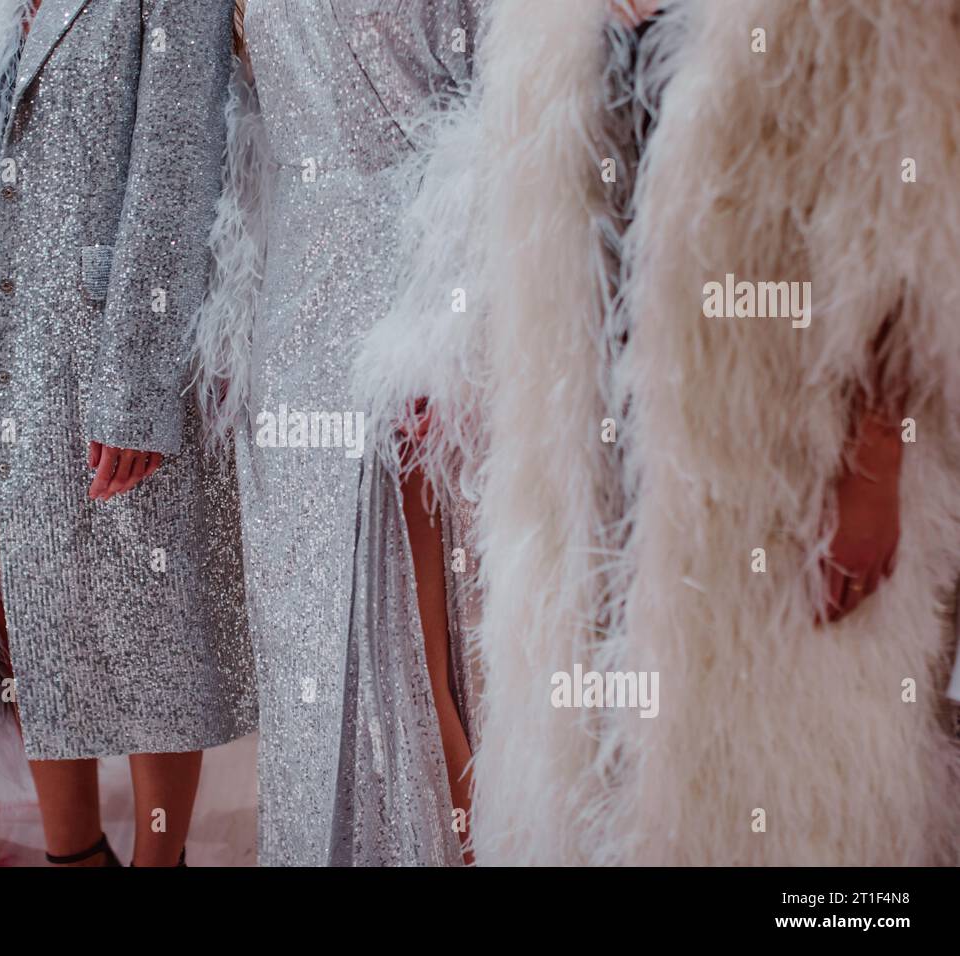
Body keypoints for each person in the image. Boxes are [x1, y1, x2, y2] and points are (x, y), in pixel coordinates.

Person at [422, 0, 960, 864]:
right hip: (591, 460)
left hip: (777, 468)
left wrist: (874, 457)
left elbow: (908, 216)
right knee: (599, 759)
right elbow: (515, 207)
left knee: (784, 788)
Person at [0, 0, 257, 867]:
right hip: (17, 342)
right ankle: (74, 855)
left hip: (119, 338)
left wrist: (139, 382)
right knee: (45, 615)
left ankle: (158, 860)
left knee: (152, 631)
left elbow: (177, 161)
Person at [194, 0, 483, 865]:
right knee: (310, 645)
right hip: (289, 309)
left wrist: (451, 318)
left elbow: (501, 118)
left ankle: (472, 835)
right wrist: (229, 315)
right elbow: (241, 124)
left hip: (422, 285)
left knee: (432, 642)